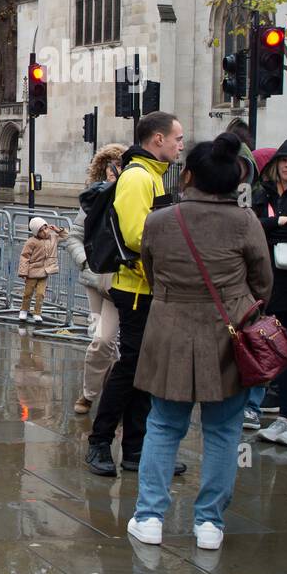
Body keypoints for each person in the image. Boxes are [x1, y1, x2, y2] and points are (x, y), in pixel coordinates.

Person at [126, 132, 272, 551]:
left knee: (163, 425)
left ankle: (150, 516)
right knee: (224, 431)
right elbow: (263, 283)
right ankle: (209, 523)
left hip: (169, 332)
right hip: (228, 336)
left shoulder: (160, 220)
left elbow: (152, 274)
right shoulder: (245, 222)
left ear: (187, 175)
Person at [86, 110, 185, 477]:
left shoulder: (153, 177)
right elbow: (137, 238)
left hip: (149, 288)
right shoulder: (139, 178)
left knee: (144, 369)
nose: (181, 144)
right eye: (177, 138)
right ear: (157, 139)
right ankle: (99, 442)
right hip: (137, 290)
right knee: (131, 368)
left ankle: (134, 450)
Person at [63, 143, 126, 414]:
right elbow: (73, 237)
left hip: (119, 282)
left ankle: (90, 394)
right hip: (93, 281)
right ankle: (105, 390)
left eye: (119, 165)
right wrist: (85, 261)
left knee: (104, 340)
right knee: (101, 338)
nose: (115, 171)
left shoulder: (130, 197)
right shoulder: (93, 199)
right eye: (111, 166)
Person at [255, 136, 287, 445]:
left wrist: (271, 225)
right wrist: (275, 223)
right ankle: (284, 416)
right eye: (284, 160)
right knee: (279, 351)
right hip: (274, 285)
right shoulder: (262, 192)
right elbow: (249, 225)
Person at [17, 217, 67, 323]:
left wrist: (58, 230)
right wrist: (23, 272)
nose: (45, 232)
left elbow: (68, 237)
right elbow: (24, 257)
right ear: (36, 233)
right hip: (32, 272)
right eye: (41, 230)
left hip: (45, 272)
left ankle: (37, 313)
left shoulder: (53, 237)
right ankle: (24, 310)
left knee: (40, 294)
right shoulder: (31, 242)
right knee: (28, 293)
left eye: (45, 228)